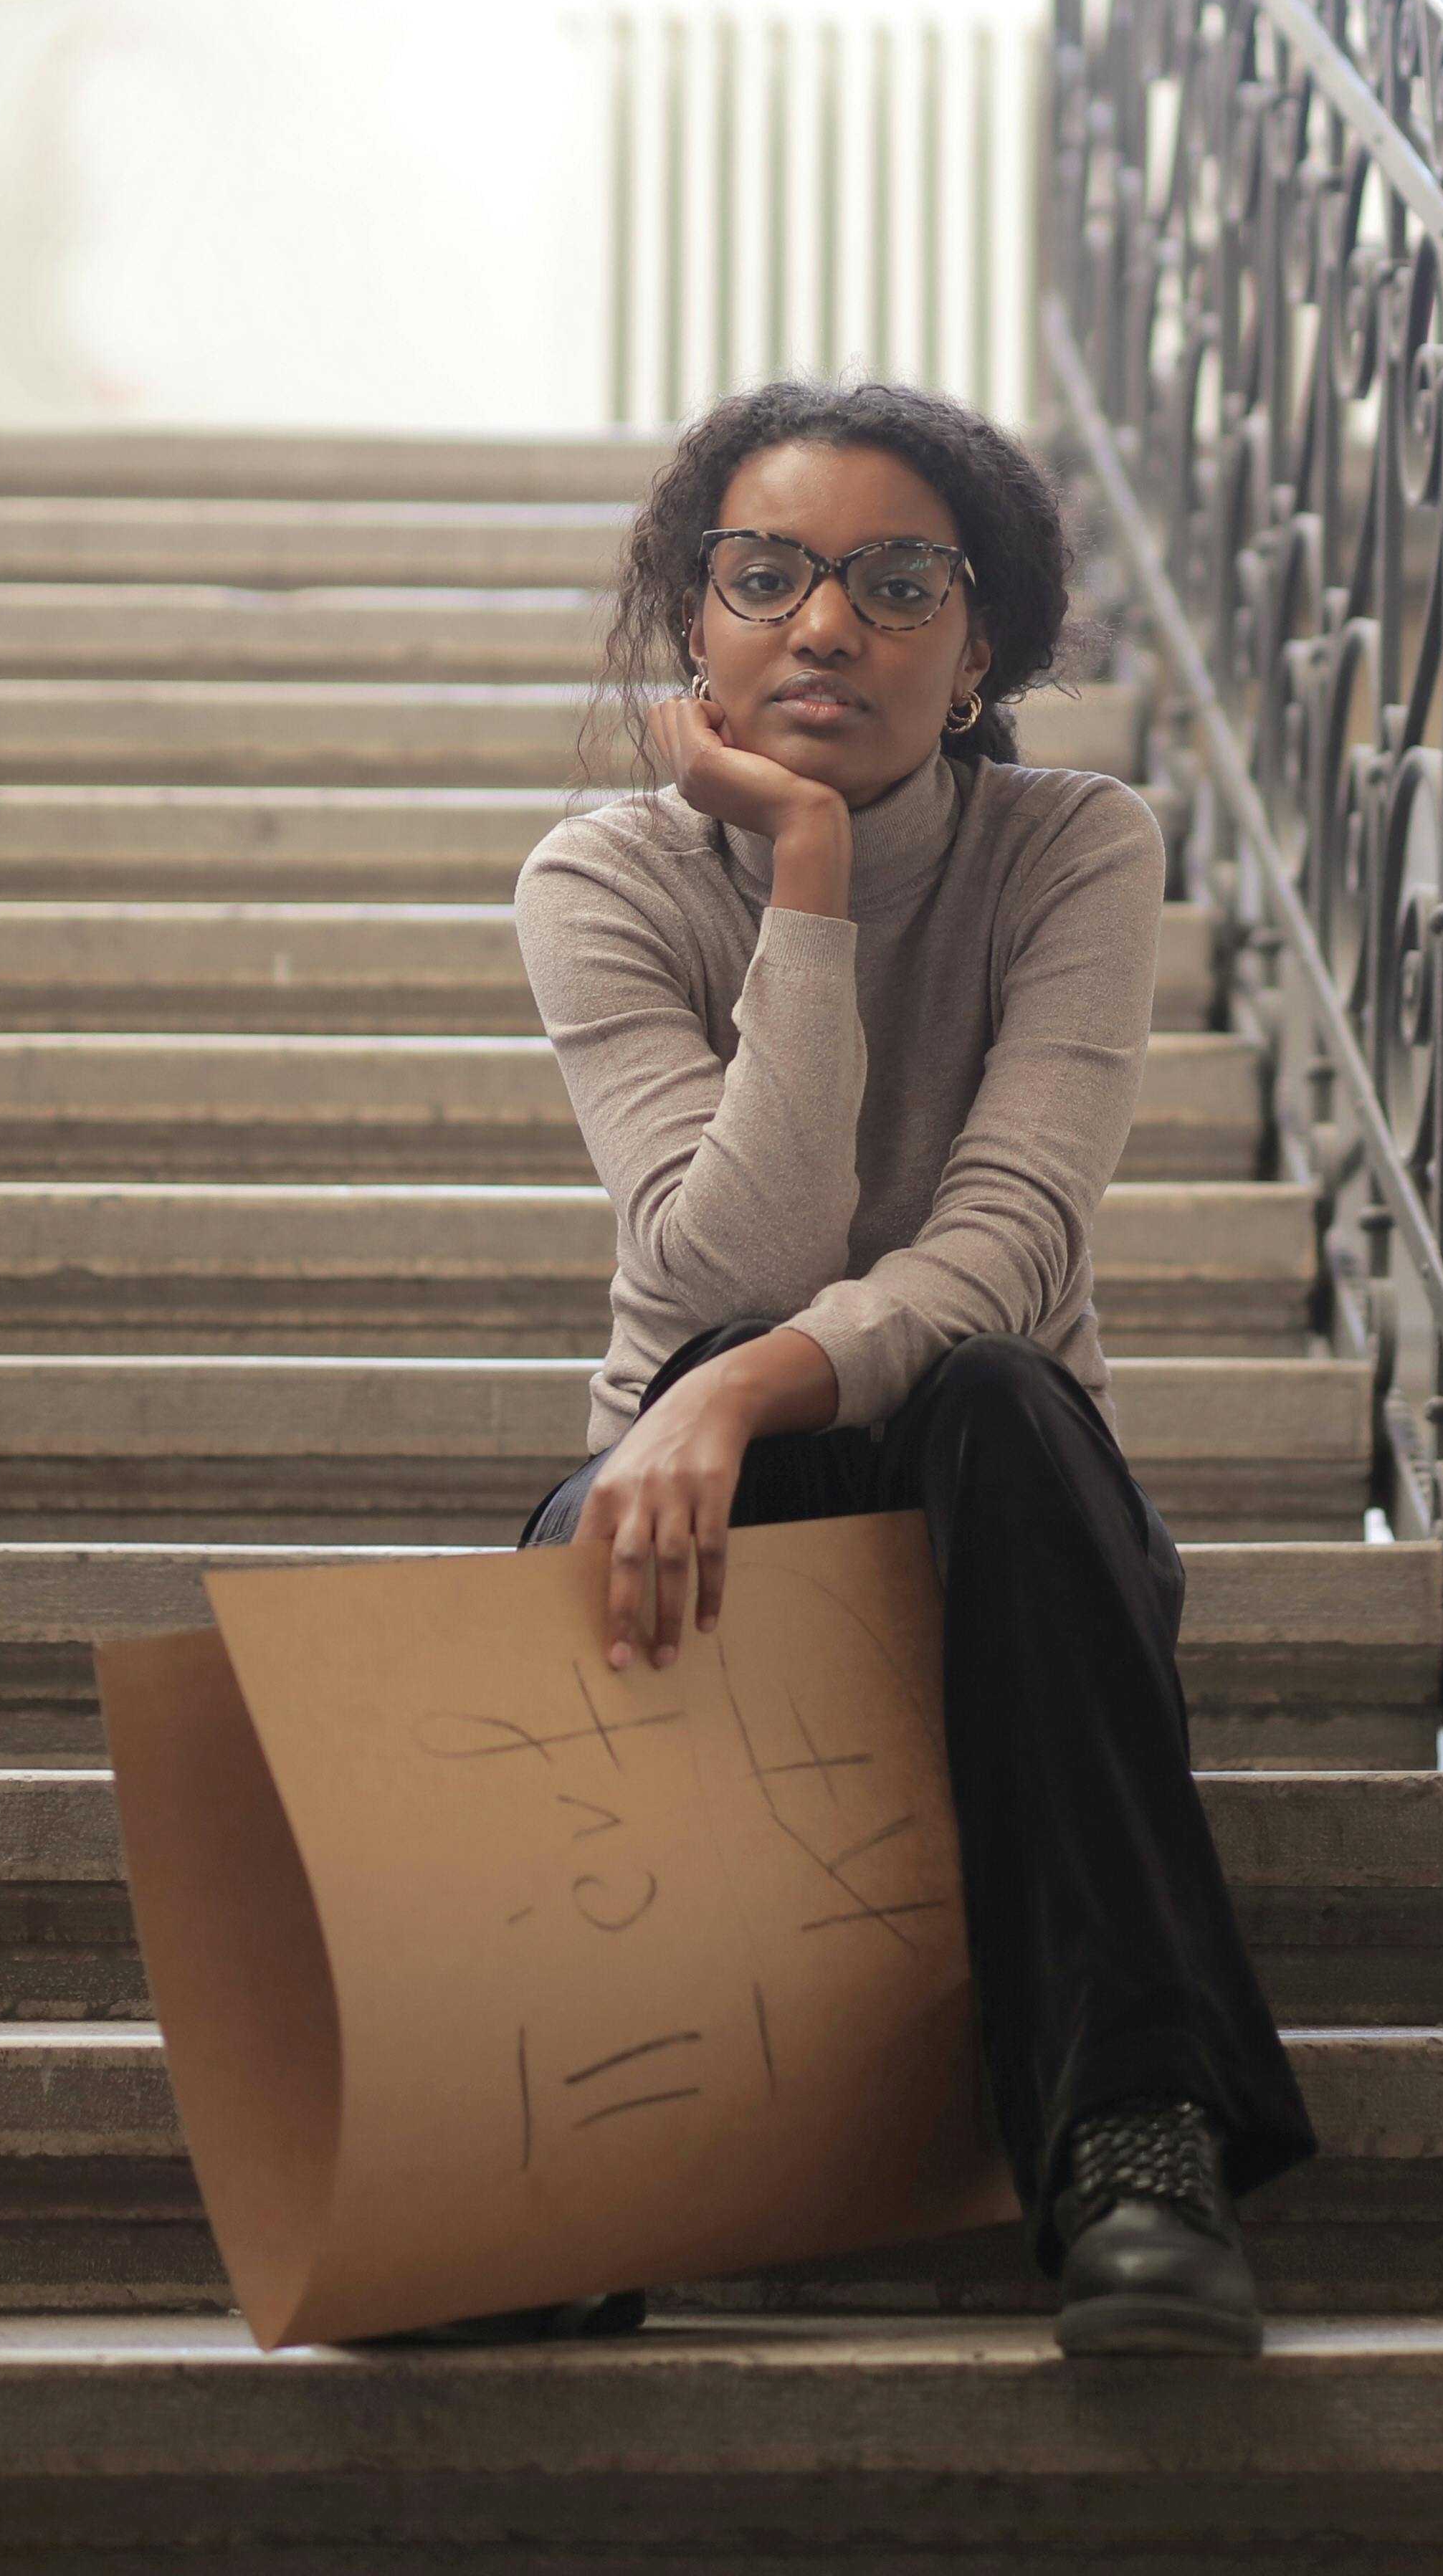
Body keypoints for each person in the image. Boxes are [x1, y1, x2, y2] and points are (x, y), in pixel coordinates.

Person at [502, 376, 1315, 2360]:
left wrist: (735, 1383)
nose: (824, 627)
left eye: (893, 583)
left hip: (1000, 1518)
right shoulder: (599, 881)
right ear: (697, 620)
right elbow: (731, 1256)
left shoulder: (1075, 851)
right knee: (615, 1510)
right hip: (695, 1512)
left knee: (997, 1399)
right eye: (766, 576)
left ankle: (1135, 2136)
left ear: (978, 650)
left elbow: (1012, 1247)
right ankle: (561, 2169)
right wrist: (804, 870)